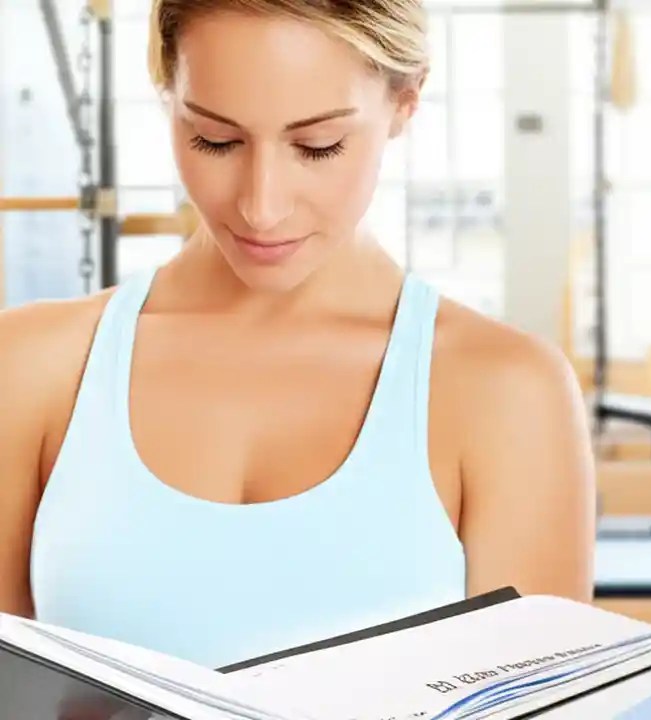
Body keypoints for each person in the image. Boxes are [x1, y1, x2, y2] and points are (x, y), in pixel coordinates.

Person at [0, 0, 596, 670]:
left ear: (406, 100)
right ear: (167, 89)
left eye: (318, 147)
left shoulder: (506, 392)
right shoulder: (29, 370)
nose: (262, 205)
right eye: (214, 140)